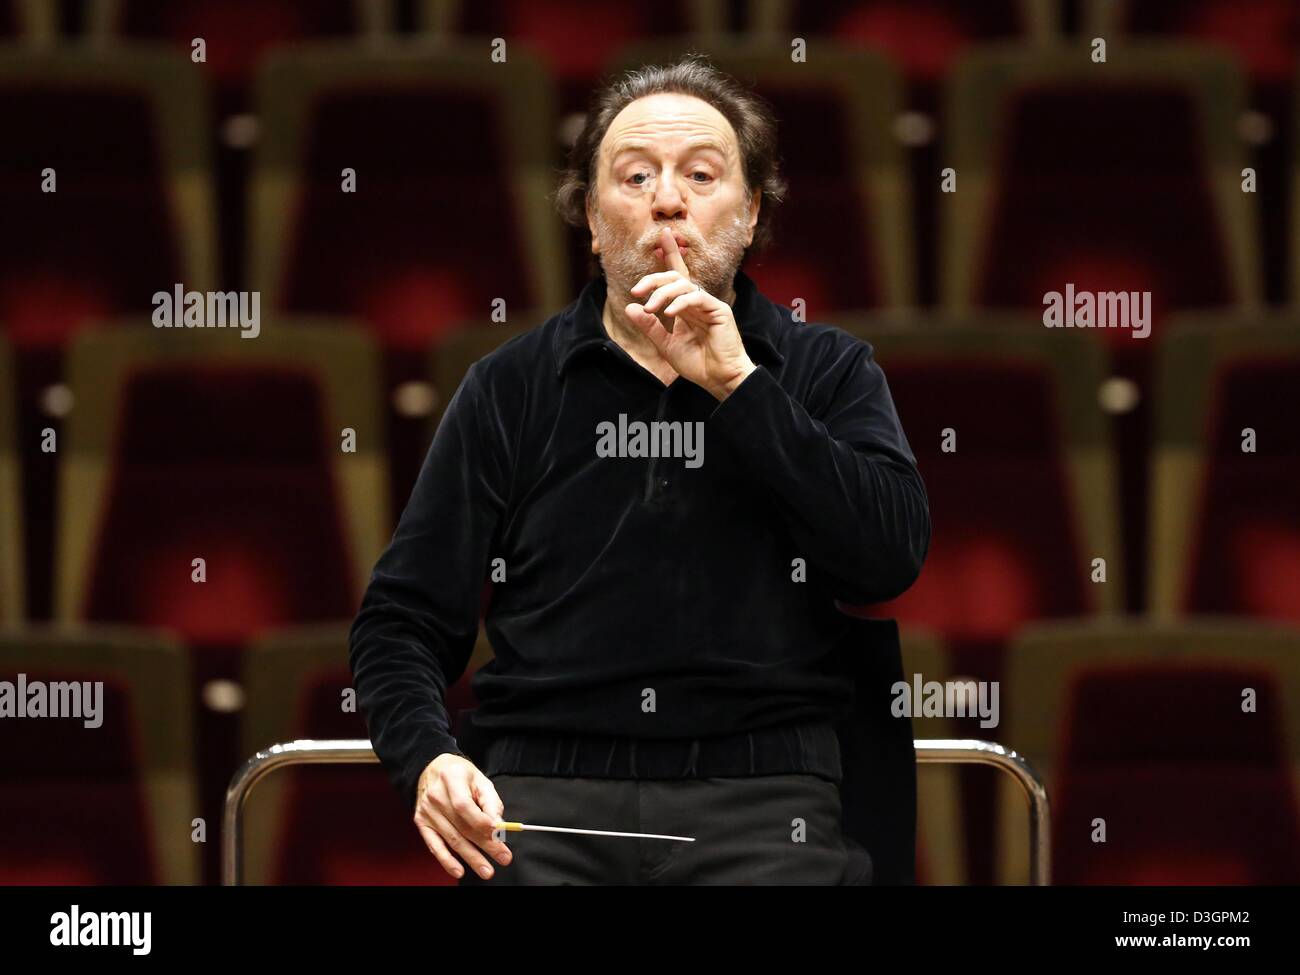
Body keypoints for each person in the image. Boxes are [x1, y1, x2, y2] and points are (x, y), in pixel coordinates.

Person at [348, 54, 930, 885]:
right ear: (591, 216)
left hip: (768, 803)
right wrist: (426, 760)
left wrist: (740, 386)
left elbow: (887, 556)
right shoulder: (509, 386)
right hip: (539, 800)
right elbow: (400, 619)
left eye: (701, 173)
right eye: (634, 176)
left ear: (752, 211)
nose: (667, 199)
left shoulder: (825, 370)